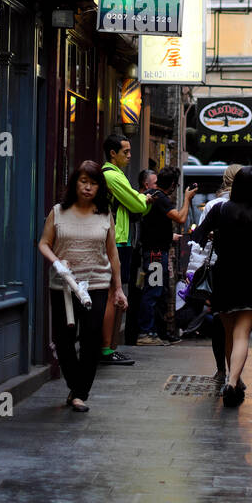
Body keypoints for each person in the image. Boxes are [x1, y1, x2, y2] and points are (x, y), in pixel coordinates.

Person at [37, 160, 125, 412]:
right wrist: (56, 263)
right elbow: (44, 243)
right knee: (63, 341)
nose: (87, 188)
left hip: (95, 284)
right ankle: (76, 386)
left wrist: (117, 288)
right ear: (75, 183)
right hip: (63, 286)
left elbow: (112, 253)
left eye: (93, 183)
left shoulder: (105, 214)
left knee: (91, 338)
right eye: (83, 181)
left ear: (100, 187)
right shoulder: (58, 211)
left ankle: (79, 393)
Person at [190, 166, 252, 408]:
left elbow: (198, 237)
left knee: (229, 332)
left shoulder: (219, 209)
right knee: (242, 334)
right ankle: (233, 382)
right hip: (249, 275)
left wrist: (216, 238)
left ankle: (234, 379)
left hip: (223, 275)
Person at [185, 164, 242, 378]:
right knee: (238, 323)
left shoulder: (213, 205)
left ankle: (222, 369)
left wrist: (193, 271)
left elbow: (200, 244)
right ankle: (235, 372)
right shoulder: (249, 205)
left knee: (220, 320)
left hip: (217, 269)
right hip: (241, 271)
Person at [100, 134, 152, 365]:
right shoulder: (111, 175)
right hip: (116, 241)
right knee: (114, 294)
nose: (130, 156)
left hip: (121, 239)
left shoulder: (117, 175)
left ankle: (111, 348)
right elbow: (137, 204)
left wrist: (141, 201)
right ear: (113, 153)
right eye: (126, 152)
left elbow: (137, 205)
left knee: (117, 295)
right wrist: (143, 200)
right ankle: (106, 350)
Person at [137, 167, 197, 345]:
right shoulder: (160, 197)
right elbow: (180, 218)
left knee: (157, 291)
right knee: (153, 291)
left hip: (156, 250)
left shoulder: (154, 195)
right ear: (172, 185)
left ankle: (153, 332)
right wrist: (187, 199)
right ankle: (145, 333)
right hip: (155, 253)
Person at [125, 169, 157, 346]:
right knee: (147, 292)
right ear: (146, 185)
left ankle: (138, 333)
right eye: (155, 183)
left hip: (139, 255)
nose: (157, 187)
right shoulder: (138, 201)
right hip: (141, 255)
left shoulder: (147, 202)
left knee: (140, 293)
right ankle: (143, 332)